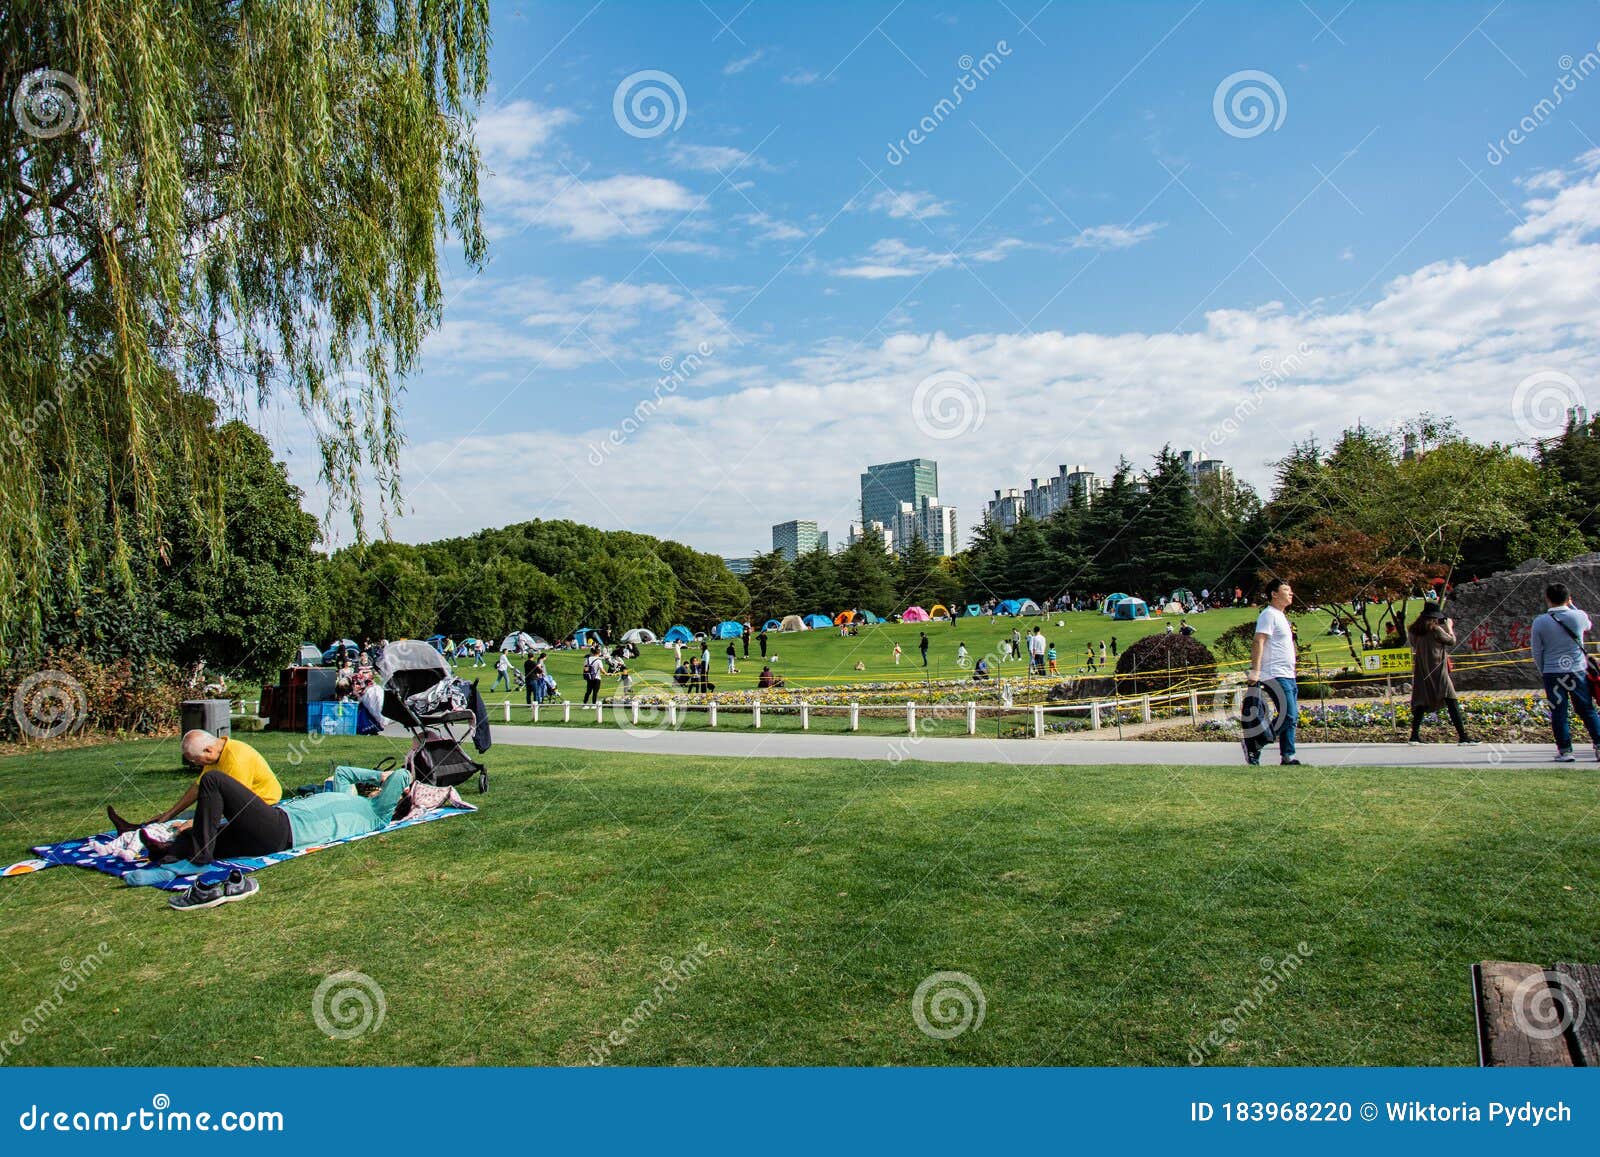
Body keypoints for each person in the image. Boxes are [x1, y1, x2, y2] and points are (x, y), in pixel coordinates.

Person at [145, 764, 413, 871]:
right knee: (205, 834)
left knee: (214, 780)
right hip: (268, 833)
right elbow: (342, 772)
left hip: (281, 828)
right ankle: (166, 854)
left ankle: (199, 859)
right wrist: (377, 776)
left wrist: (387, 778)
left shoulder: (378, 815)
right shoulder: (351, 799)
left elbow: (403, 774)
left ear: (393, 801)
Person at [108, 731, 283, 834]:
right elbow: (198, 787)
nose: (196, 764)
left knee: (186, 826)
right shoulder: (217, 754)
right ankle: (137, 830)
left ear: (208, 750)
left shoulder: (237, 759)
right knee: (176, 820)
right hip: (236, 804)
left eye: (196, 760)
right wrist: (169, 813)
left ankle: (147, 836)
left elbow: (234, 802)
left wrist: (197, 822)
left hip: (260, 806)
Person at [1531, 581, 1600, 762]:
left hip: (1552, 672)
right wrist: (1572, 606)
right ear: (1568, 598)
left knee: (1559, 712)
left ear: (1547, 598)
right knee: (1587, 709)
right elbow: (1588, 625)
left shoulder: (1540, 622)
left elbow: (1537, 650)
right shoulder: (1579, 616)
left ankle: (1565, 751)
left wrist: (1543, 669)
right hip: (1577, 670)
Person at [1245, 578, 1301, 767]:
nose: (1291, 593)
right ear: (1274, 594)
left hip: (1288, 674)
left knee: (1292, 717)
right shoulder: (1268, 615)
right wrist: (1255, 671)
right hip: (1274, 673)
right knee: (1289, 715)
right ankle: (1256, 742)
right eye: (1286, 590)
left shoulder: (1281, 616)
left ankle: (1288, 756)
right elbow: (1258, 641)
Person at [1406, 606, 1474, 745]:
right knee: (1451, 700)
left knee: (1421, 701)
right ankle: (1463, 737)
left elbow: (1414, 644)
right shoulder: (1435, 630)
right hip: (1438, 670)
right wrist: (1449, 627)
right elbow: (1451, 641)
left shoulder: (1413, 631)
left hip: (1422, 670)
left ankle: (1414, 736)